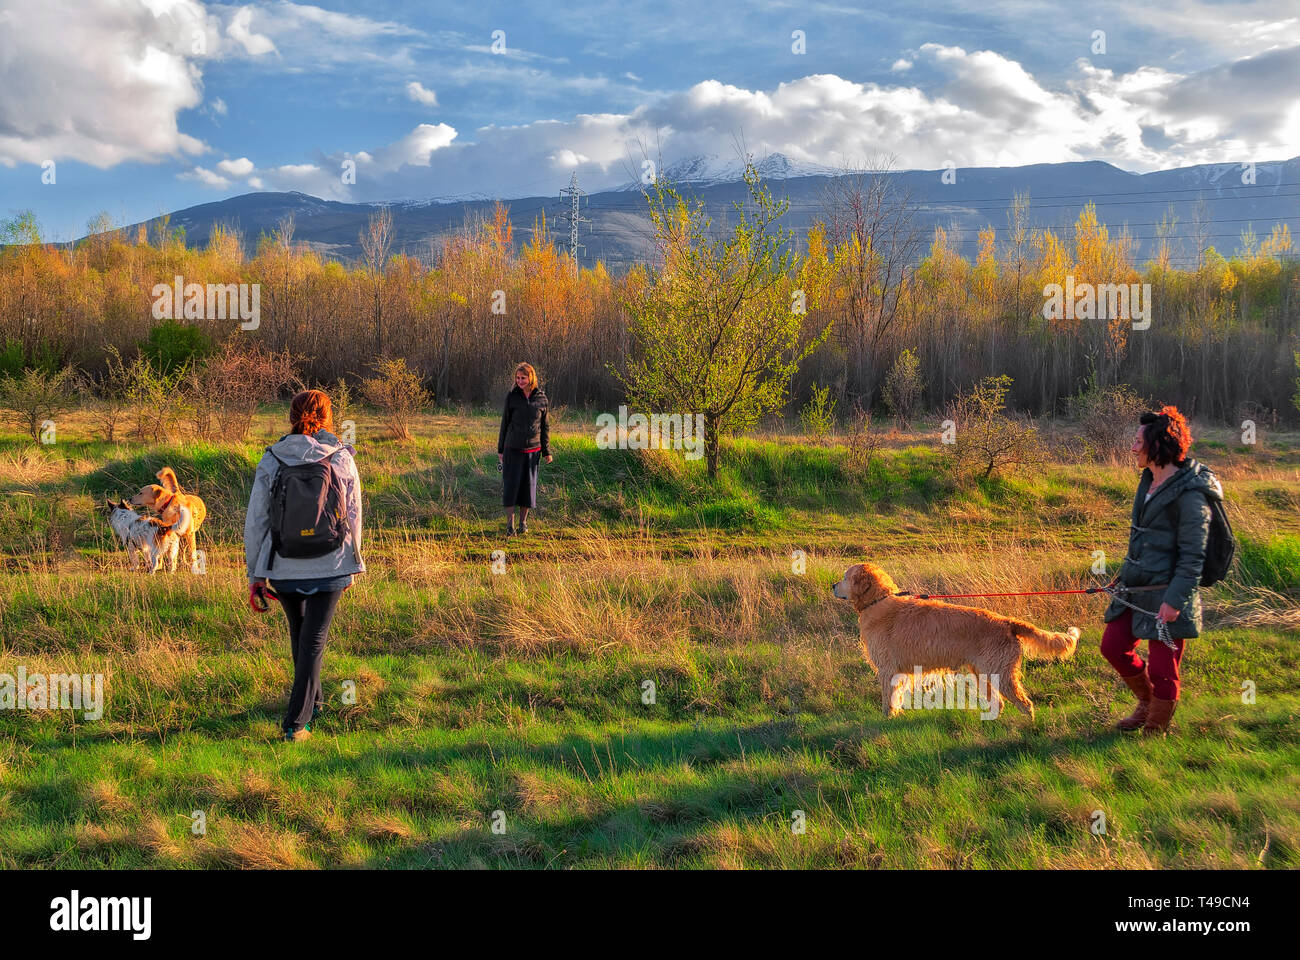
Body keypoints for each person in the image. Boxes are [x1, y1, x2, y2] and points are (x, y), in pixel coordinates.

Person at [244, 389, 365, 742]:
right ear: (327, 418)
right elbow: (354, 514)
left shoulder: (272, 458)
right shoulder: (341, 457)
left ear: (291, 417)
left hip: (284, 565)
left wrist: (256, 574)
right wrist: (353, 564)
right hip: (331, 563)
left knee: (301, 637)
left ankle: (315, 704)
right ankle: (296, 724)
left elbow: (257, 520)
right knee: (312, 642)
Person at [1100, 406, 1217, 737]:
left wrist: (1175, 600)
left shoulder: (1192, 494)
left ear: (1158, 445)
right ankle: (1147, 701)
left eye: (1138, 442)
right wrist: (1122, 577)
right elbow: (1141, 541)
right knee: (1113, 646)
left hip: (1168, 593)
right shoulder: (1148, 480)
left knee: (1164, 668)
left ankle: (1155, 729)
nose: (1133, 448)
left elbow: (1194, 555)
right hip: (1136, 588)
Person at [497, 362, 552, 535]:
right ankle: (510, 526)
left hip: (533, 452)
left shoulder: (542, 398)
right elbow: (504, 424)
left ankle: (523, 523)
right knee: (511, 488)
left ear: (531, 378)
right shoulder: (512, 397)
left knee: (528, 489)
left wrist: (547, 451)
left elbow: (545, 427)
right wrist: (500, 450)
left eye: (523, 377)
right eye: (518, 378)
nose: (520, 381)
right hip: (512, 449)